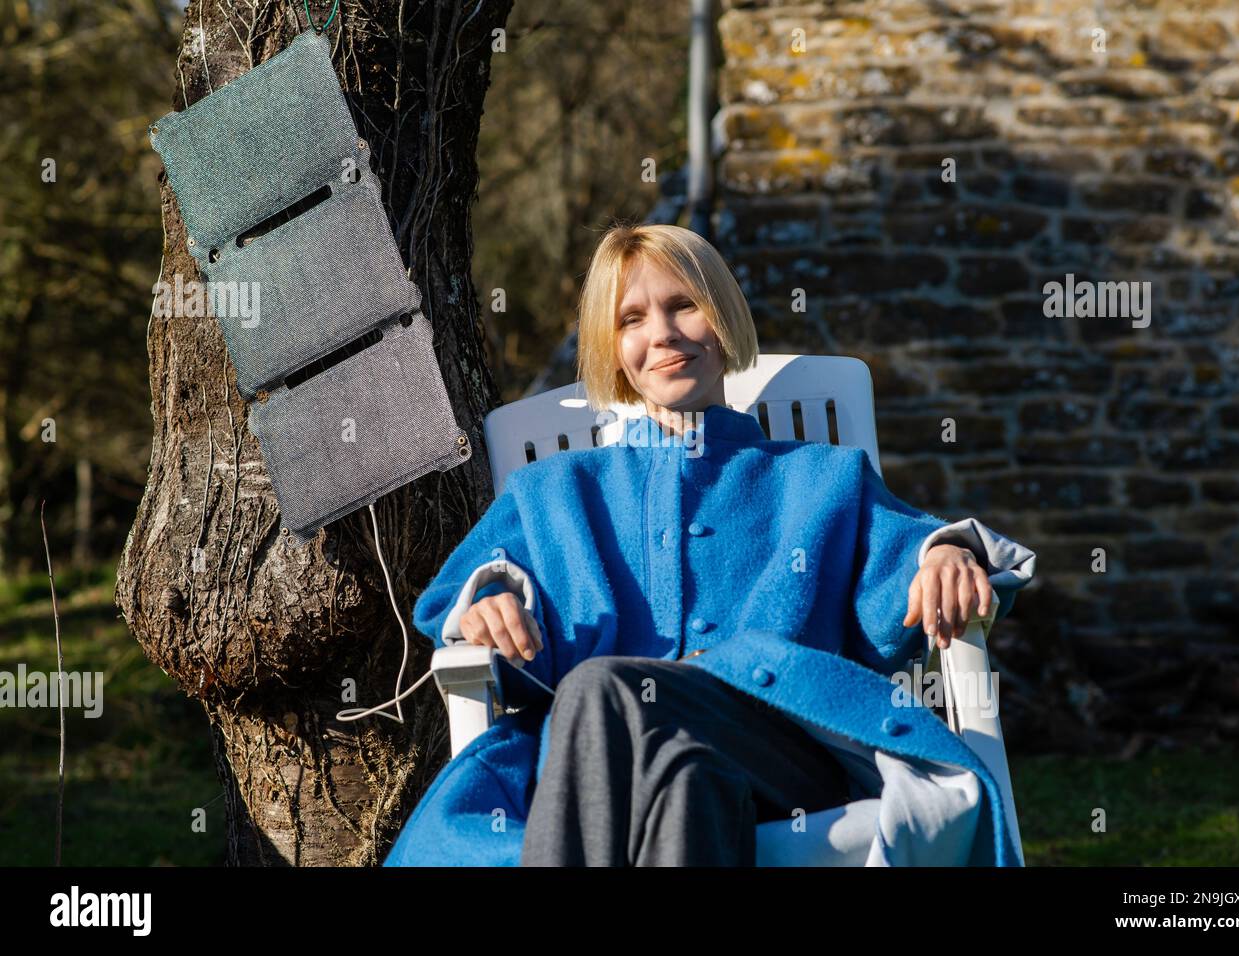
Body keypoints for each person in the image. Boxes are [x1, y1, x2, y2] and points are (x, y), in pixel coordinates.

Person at [383, 222, 1037, 867]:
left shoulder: (822, 478)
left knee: (598, 687)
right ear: (612, 351)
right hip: (620, 764)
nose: (662, 333)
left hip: (781, 751)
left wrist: (947, 554)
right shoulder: (554, 492)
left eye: (683, 306)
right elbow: (462, 595)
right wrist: (490, 597)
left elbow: (914, 551)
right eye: (631, 319)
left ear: (721, 317)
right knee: (684, 780)